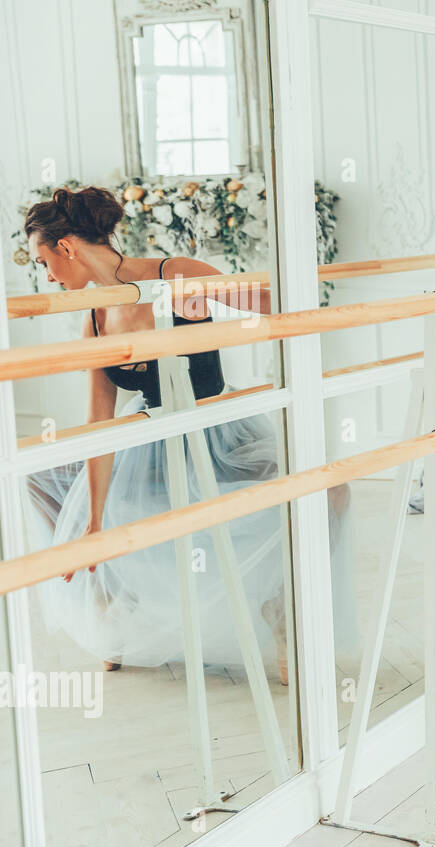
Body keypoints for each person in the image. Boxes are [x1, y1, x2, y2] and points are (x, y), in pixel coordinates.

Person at [22, 185, 357, 684]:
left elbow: (273, 304)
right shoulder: (94, 319)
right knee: (39, 474)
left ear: (66, 248)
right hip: (150, 441)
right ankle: (111, 596)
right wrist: (93, 522)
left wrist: (226, 293)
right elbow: (100, 421)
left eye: (43, 260)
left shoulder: (176, 275)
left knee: (330, 493)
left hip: (220, 432)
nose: (45, 275)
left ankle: (282, 610)